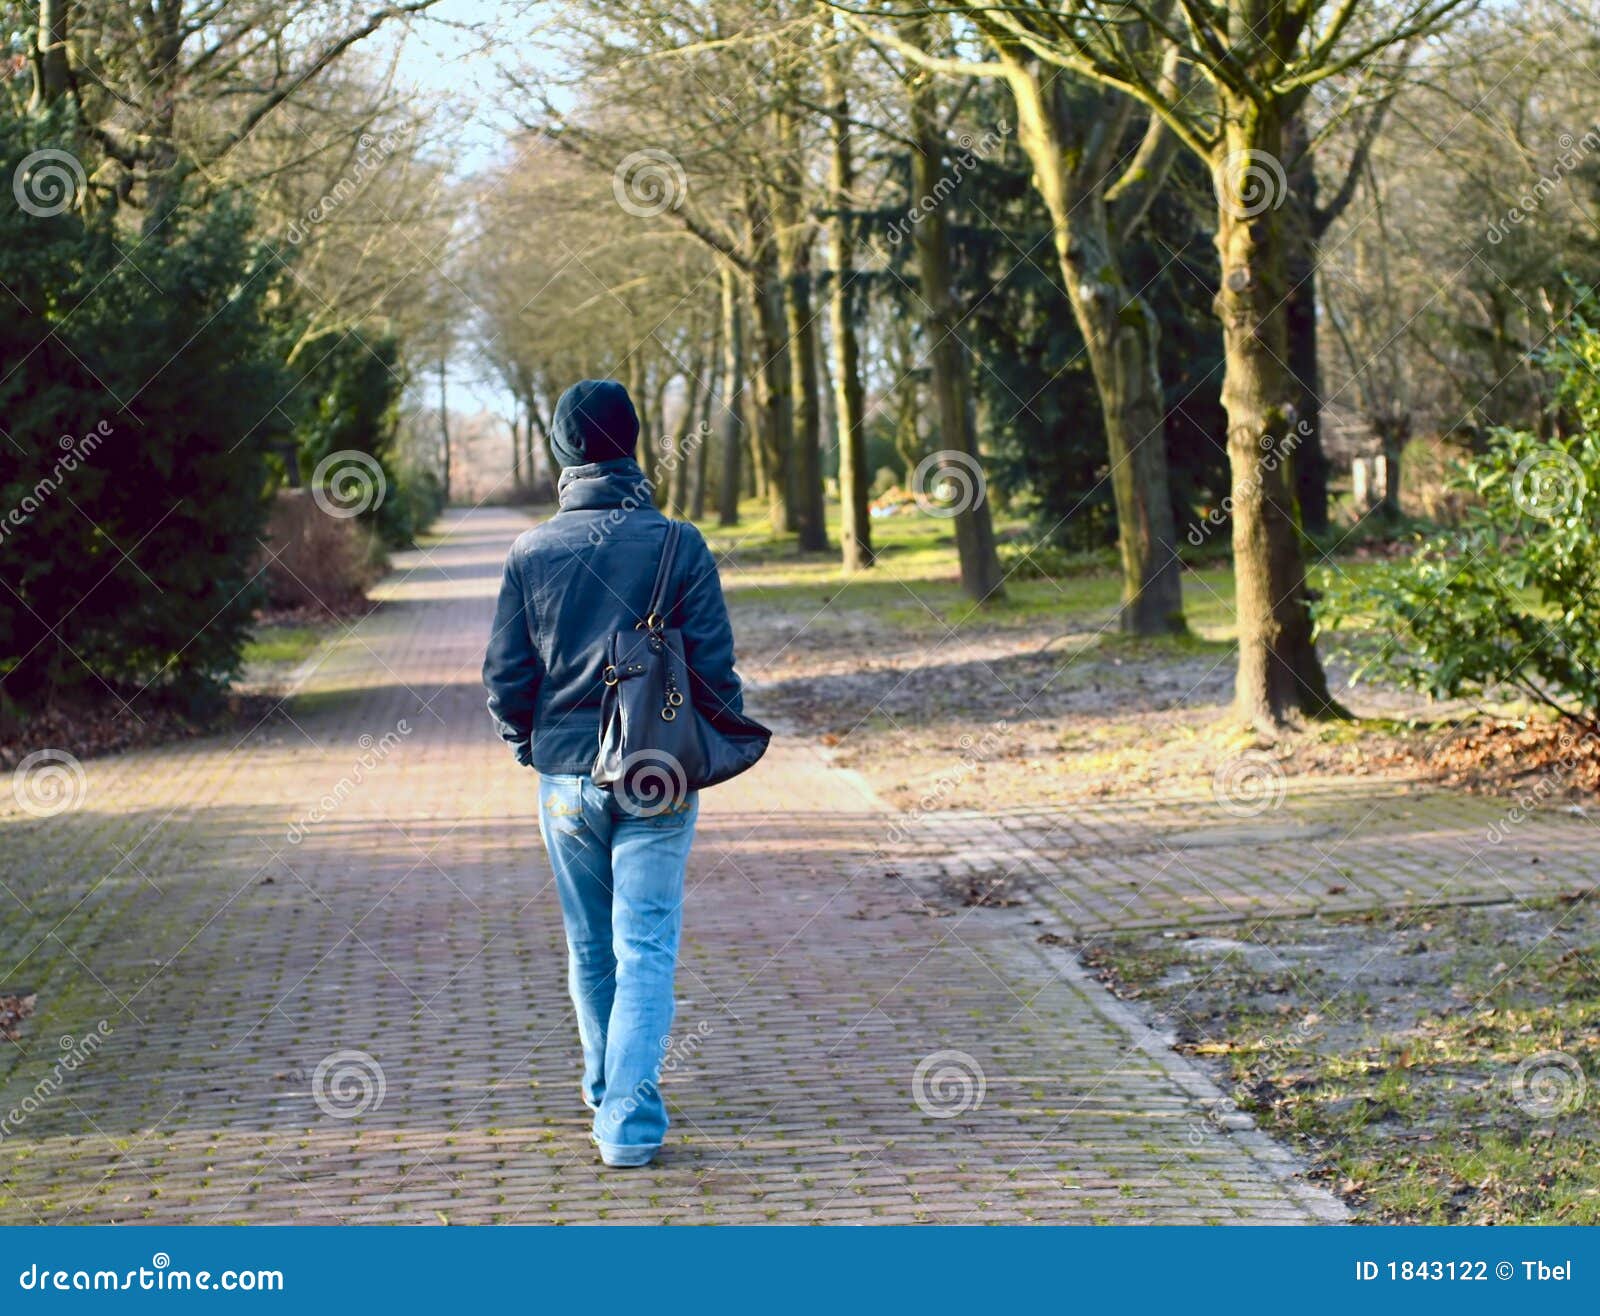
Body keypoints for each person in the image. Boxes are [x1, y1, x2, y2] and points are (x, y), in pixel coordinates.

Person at [482, 378, 747, 1168]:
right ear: (632, 443)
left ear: (566, 452)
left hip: (566, 775)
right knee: (648, 945)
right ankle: (625, 1125)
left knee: (590, 947)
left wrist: (532, 747)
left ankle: (608, 1093)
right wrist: (706, 738)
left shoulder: (531, 552)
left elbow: (505, 676)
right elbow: (716, 669)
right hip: (658, 769)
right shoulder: (678, 543)